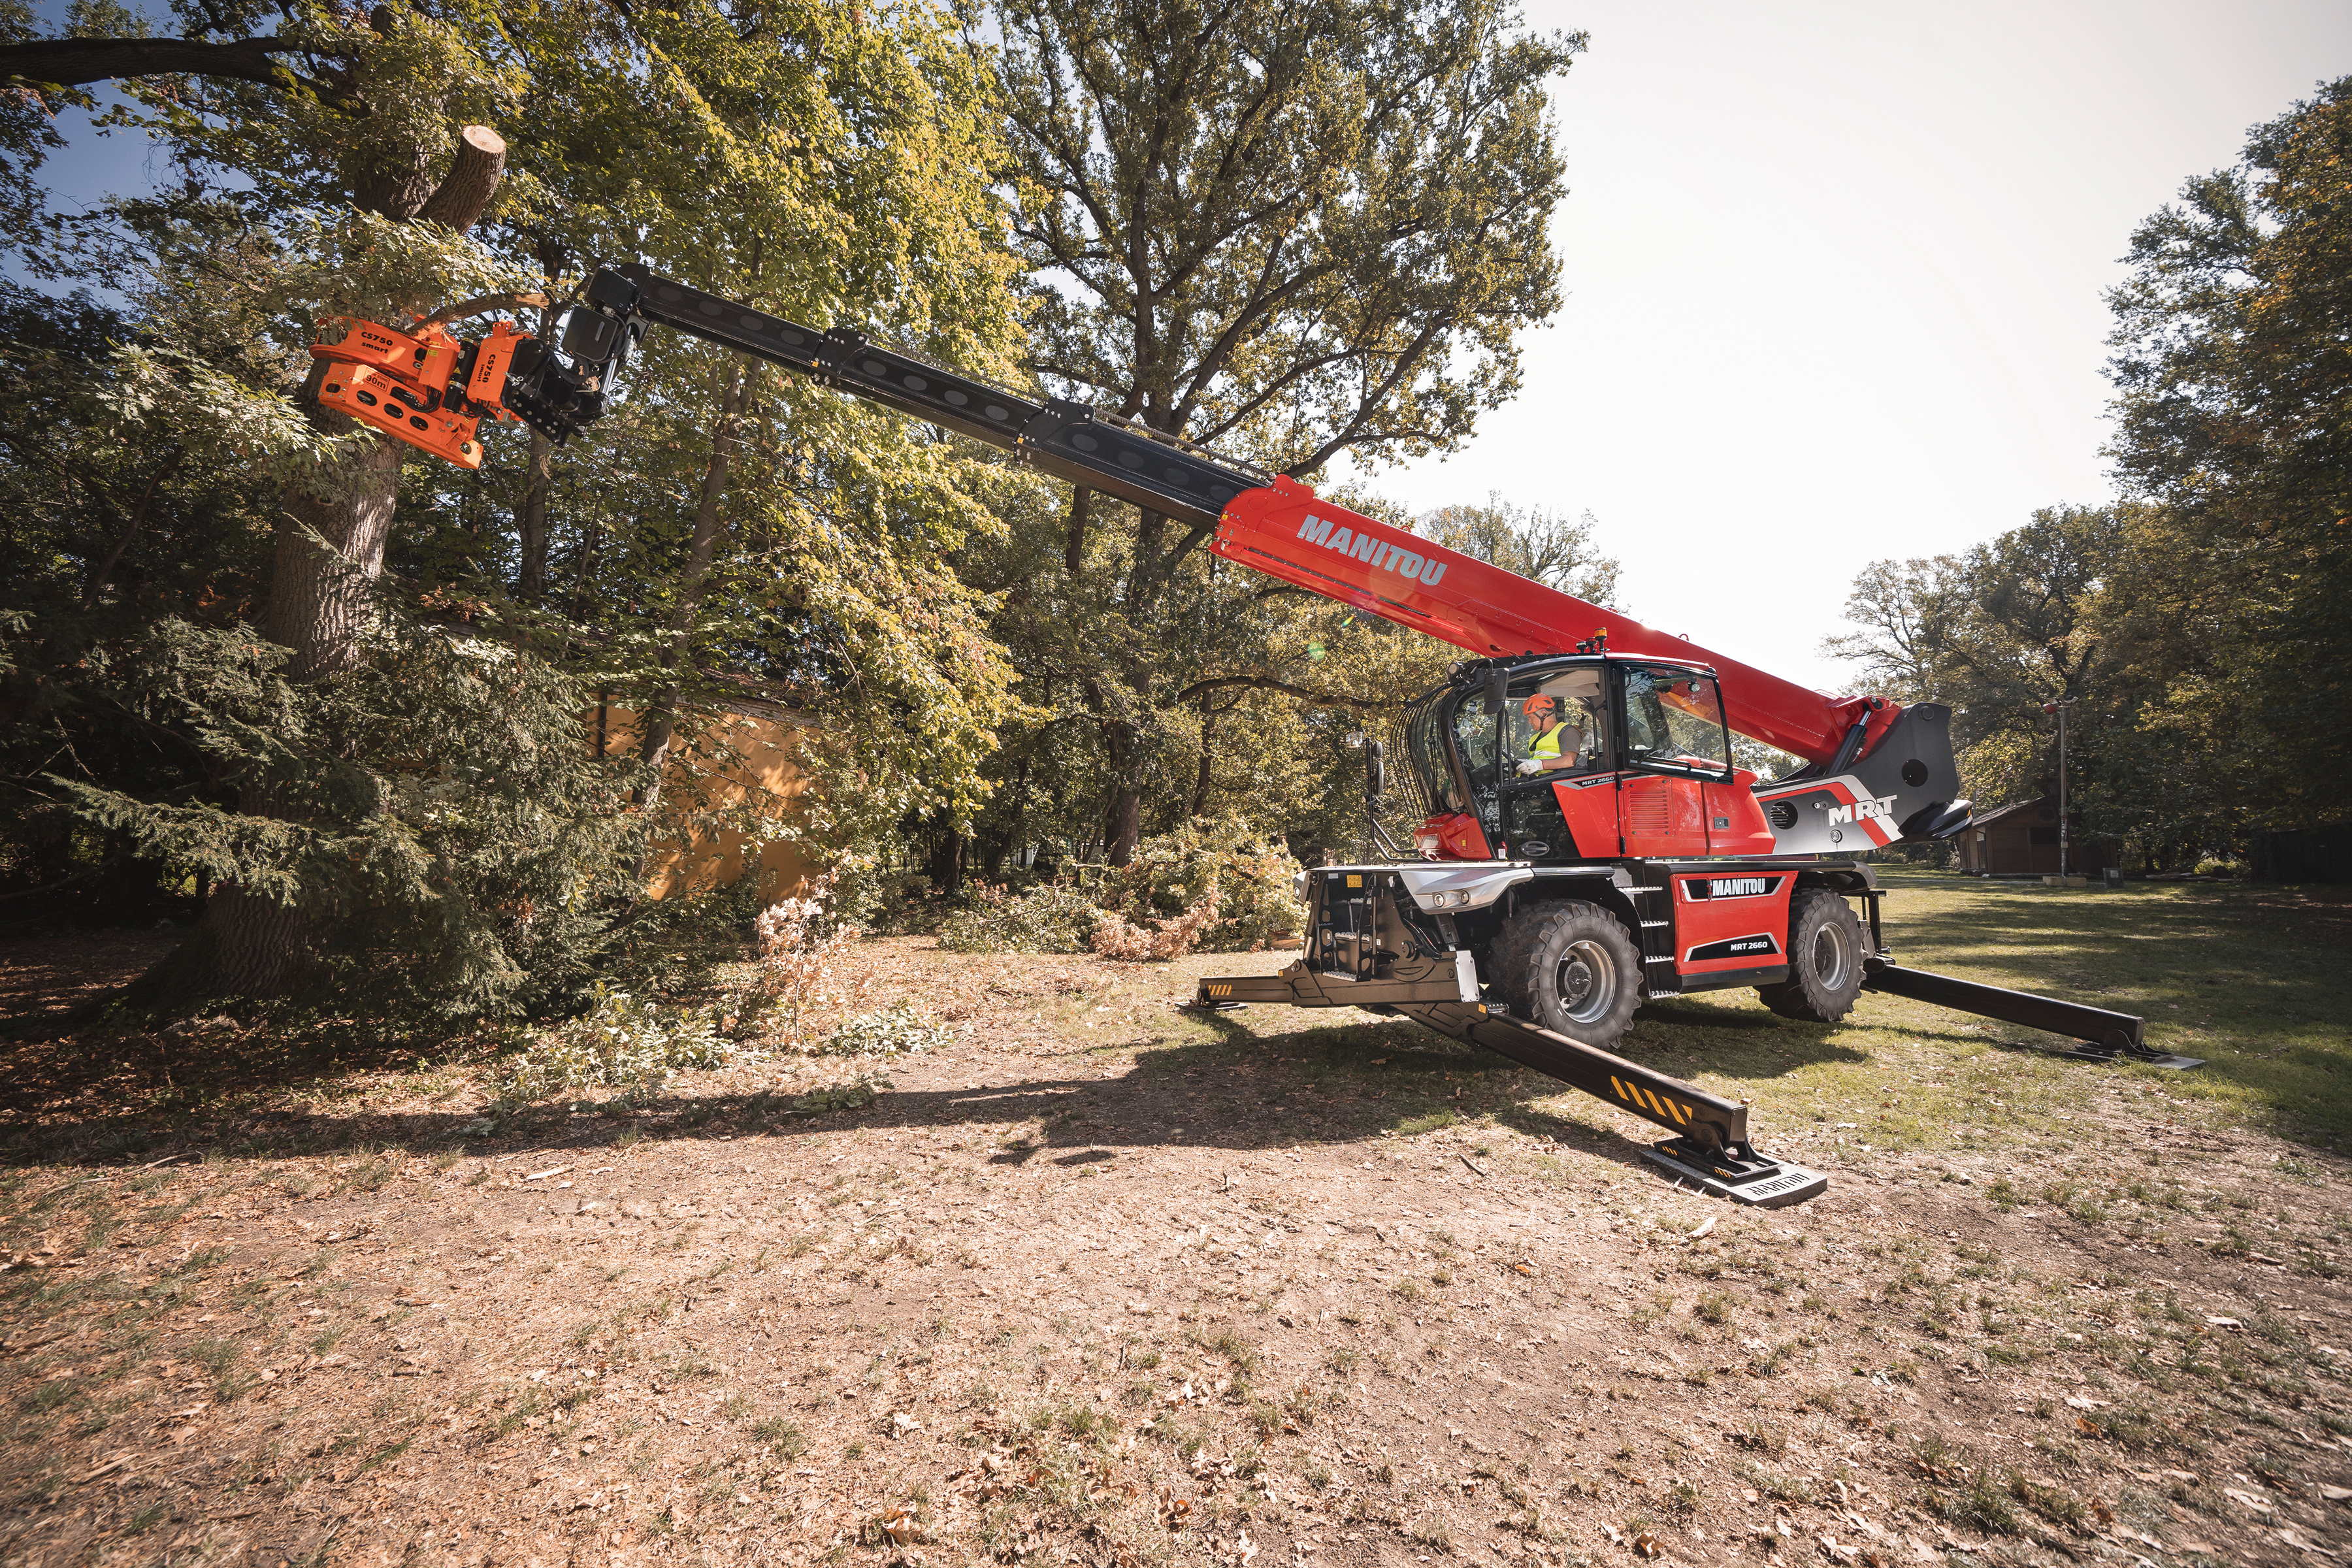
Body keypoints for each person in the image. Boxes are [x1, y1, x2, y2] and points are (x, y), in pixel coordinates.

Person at [1514, 693, 1584, 776]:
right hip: (1531, 780)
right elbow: (1536, 760)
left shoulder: (1567, 732)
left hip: (1550, 782)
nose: (1529, 722)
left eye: (1531, 718)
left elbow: (1569, 761)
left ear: (1544, 714)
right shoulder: (1535, 738)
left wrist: (1539, 765)